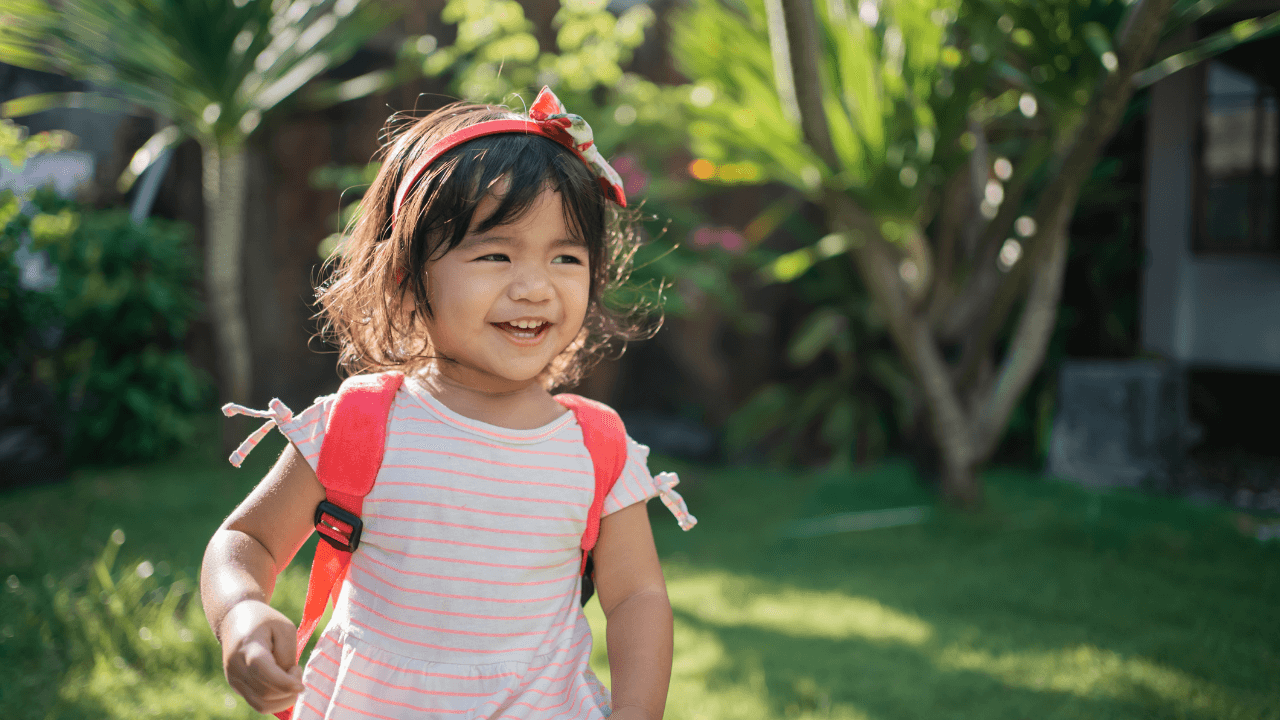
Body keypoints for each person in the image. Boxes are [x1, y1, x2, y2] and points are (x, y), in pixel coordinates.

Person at [200, 87, 696, 720]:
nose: (535, 286)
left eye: (566, 257)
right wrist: (241, 611)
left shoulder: (597, 448)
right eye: (495, 253)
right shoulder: (362, 425)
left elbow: (636, 599)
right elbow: (246, 540)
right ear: (407, 277)